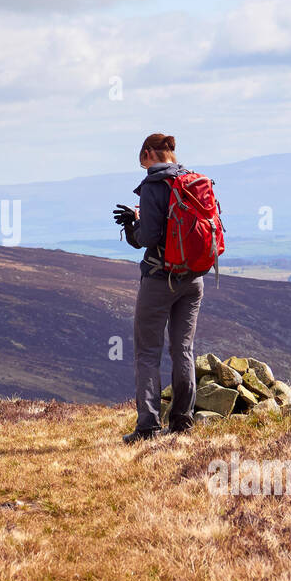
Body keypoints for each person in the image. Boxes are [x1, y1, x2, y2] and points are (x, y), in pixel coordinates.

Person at [112, 133, 205, 443]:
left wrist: (132, 225)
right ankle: (182, 422)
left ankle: (148, 427)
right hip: (193, 279)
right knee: (183, 350)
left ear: (149, 153)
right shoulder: (192, 180)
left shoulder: (154, 185)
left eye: (144, 161)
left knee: (148, 352)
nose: (144, 167)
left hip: (160, 278)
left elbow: (149, 238)